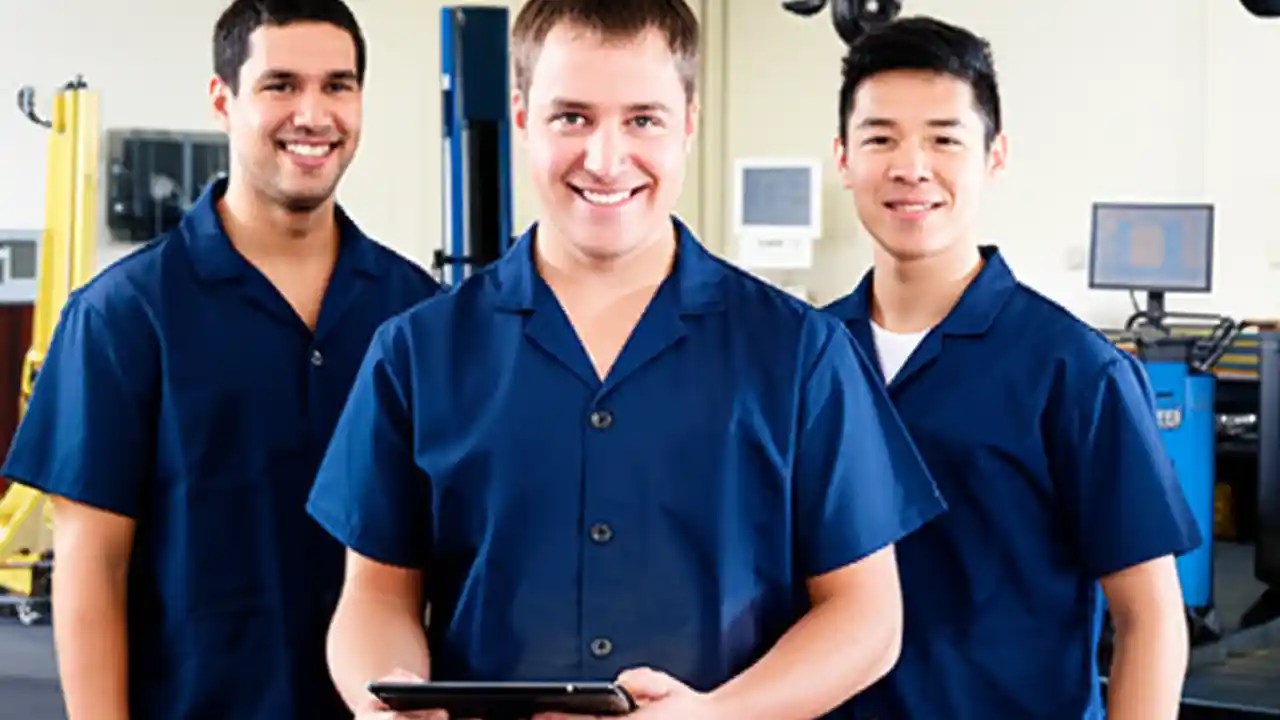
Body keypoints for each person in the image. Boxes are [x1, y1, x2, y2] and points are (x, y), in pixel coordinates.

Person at [304, 1, 946, 718]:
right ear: (521, 115)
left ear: (689, 123)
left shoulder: (802, 354)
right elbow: (376, 596)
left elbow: (866, 618)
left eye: (643, 119)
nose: (606, 159)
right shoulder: (416, 354)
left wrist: (716, 715)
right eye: (571, 117)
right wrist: (386, 694)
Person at [0, 1, 442, 718]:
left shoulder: (419, 314)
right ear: (222, 100)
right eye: (280, 85)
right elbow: (93, 572)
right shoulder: (123, 317)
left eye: (338, 85)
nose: (313, 113)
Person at [822, 15, 1203, 720]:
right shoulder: (805, 358)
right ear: (843, 158)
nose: (911, 167)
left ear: (994, 156)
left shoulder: (1075, 371)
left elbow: (1149, 619)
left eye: (944, 138)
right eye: (881, 138)